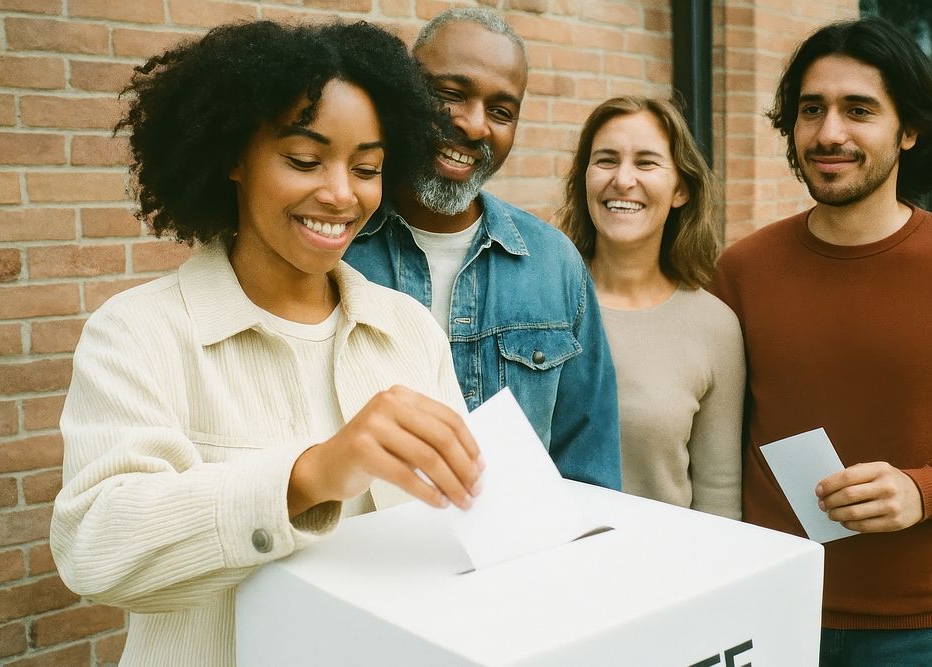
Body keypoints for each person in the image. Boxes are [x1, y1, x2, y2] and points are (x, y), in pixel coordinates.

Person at [49, 21, 484, 666]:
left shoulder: (409, 329)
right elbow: (95, 547)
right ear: (232, 156)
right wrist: (307, 476)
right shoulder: (140, 331)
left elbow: (460, 524)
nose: (341, 193)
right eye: (304, 160)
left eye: (368, 168)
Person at [709, 17, 932, 665]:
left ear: (909, 130)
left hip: (910, 632)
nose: (829, 132)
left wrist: (925, 490)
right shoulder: (742, 269)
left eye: (858, 109)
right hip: (765, 608)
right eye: (812, 110)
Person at [344, 8, 621, 491]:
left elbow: (588, 469)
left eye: (501, 111)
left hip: (519, 560)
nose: (474, 126)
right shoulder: (337, 245)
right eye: (449, 95)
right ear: (405, 91)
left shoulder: (554, 265)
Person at [557, 96, 744, 519]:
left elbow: (719, 497)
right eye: (606, 160)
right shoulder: (542, 299)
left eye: (646, 163)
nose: (623, 180)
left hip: (665, 573)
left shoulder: (715, 327)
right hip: (543, 570)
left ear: (681, 189)